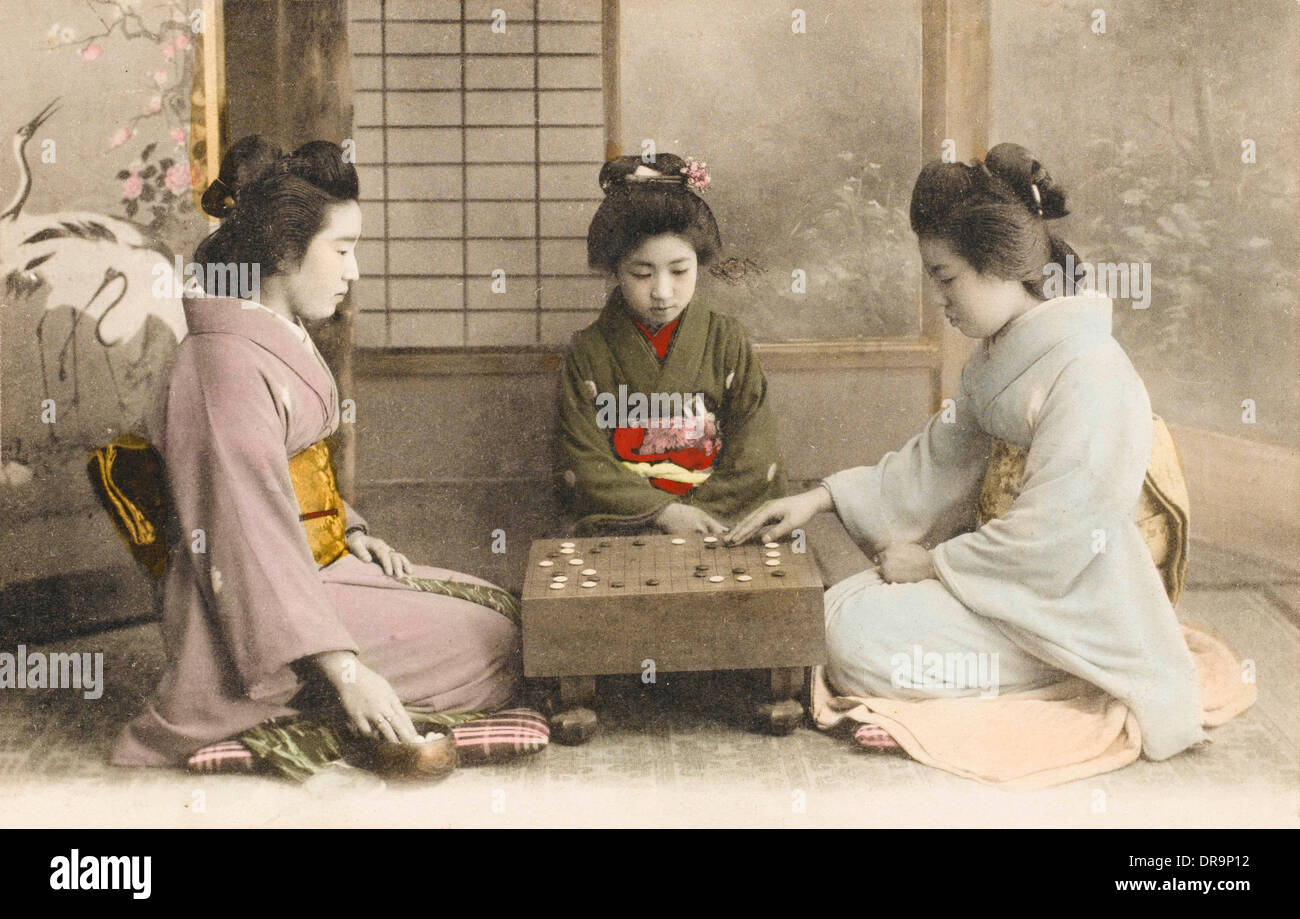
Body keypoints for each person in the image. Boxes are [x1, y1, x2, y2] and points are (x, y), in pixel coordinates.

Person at [727, 143, 1206, 761]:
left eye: (946, 278)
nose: (940, 301)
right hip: (1003, 579)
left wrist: (931, 566)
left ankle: (1076, 677)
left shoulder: (1091, 370)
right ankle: (1018, 679)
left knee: (851, 637)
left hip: (1072, 595)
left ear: (1001, 264)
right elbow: (935, 462)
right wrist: (817, 499)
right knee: (835, 611)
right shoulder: (998, 357)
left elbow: (1061, 535)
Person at [112, 136, 521, 769]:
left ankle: (354, 699)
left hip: (309, 569)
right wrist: (345, 667)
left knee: (498, 606)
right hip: (243, 611)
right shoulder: (222, 364)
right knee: (493, 644)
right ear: (282, 251)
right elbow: (245, 533)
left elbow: (296, 476)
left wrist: (346, 529)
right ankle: (313, 710)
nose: (353, 271)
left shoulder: (272, 333)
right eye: (343, 250)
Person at [555, 153, 786, 536]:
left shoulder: (727, 340)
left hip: (718, 518)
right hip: (628, 521)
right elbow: (581, 462)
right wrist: (662, 513)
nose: (662, 292)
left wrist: (696, 514)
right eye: (642, 273)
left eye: (680, 271)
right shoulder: (589, 351)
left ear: (700, 263)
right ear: (615, 269)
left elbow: (756, 450)